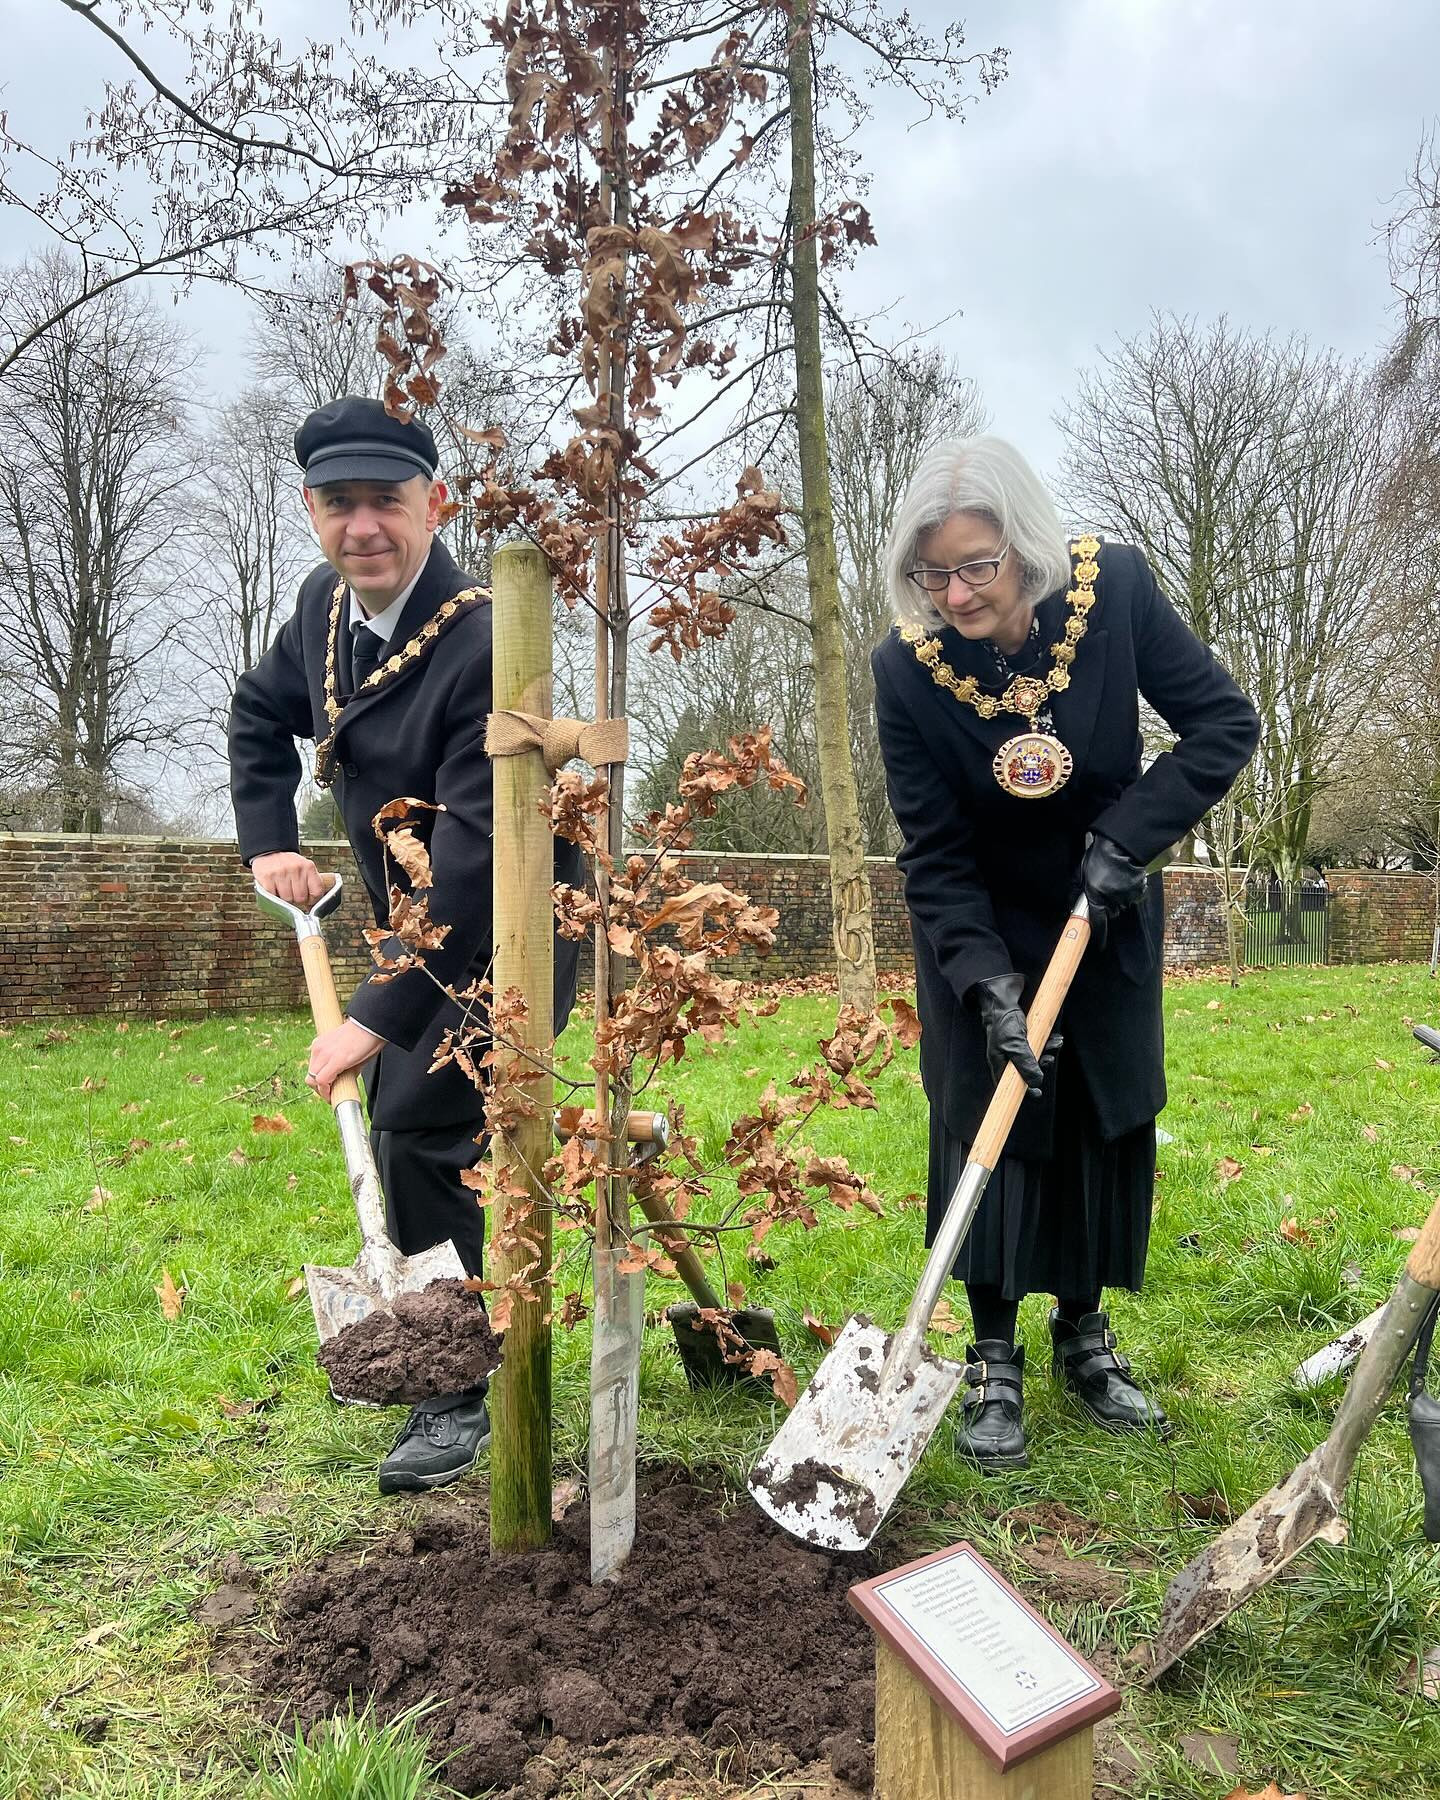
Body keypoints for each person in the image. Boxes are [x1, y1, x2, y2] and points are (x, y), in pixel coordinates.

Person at [872, 435, 1259, 1470]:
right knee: (990, 1121)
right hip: (983, 928)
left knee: (1093, 1116)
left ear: (1025, 548)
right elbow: (934, 848)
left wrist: (1126, 840)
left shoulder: (1115, 592)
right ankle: (992, 1350)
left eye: (975, 565)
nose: (953, 593)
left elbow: (1222, 724)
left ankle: (1082, 1336)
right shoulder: (906, 674)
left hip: (1106, 906)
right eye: (930, 572)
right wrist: (981, 979)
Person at [229, 396, 582, 1494]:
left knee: (421, 1117)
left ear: (435, 502)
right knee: (416, 1125)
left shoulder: (482, 638)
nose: (364, 527)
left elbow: (478, 861)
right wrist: (269, 845)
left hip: (520, 919)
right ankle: (452, 1355)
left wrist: (370, 1024)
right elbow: (257, 711)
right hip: (414, 927)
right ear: (311, 511)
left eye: (387, 500)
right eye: (340, 505)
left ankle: (453, 1388)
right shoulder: (320, 611)